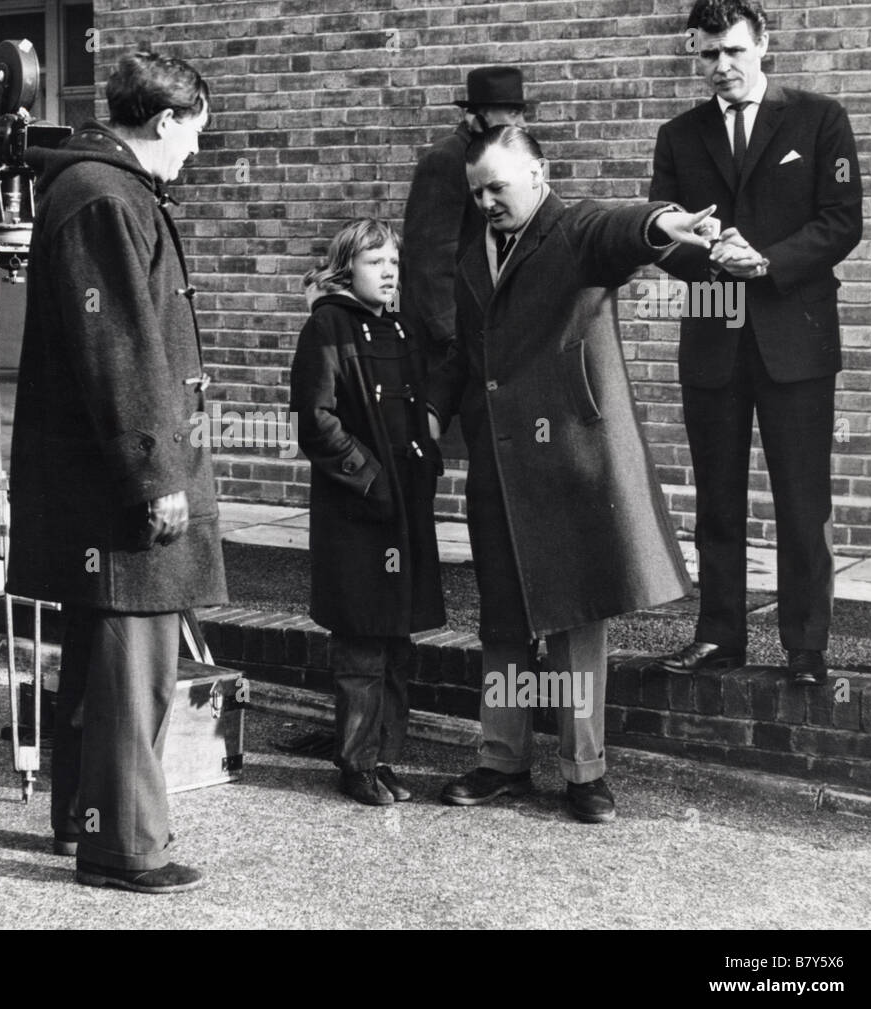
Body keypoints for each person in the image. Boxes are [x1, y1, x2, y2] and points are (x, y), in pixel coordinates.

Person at [427, 126, 712, 823]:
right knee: (502, 621)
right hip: (498, 464)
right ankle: (502, 759)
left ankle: (586, 772)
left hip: (570, 465)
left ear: (539, 172)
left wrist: (661, 222)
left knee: (576, 617)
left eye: (499, 186)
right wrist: (433, 414)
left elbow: (621, 227)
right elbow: (461, 356)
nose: (488, 201)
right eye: (478, 192)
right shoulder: (472, 256)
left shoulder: (574, 228)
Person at [7, 50, 226, 893]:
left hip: (95, 480)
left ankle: (82, 823)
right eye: (195, 136)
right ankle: (126, 846)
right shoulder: (108, 196)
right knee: (136, 669)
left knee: (102, 667)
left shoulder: (97, 189)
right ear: (164, 122)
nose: (197, 154)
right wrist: (156, 474)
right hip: (119, 491)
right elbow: (121, 352)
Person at [649, 0, 864, 685]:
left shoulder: (819, 120)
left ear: (764, 44)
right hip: (714, 338)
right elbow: (661, 235)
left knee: (803, 500)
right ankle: (719, 636)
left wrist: (767, 263)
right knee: (717, 498)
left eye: (734, 50)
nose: (721, 66)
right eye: (707, 55)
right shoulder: (679, 137)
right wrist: (709, 254)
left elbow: (840, 222)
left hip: (794, 340)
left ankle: (806, 648)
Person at [290, 218, 444, 806]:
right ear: (346, 267)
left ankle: (385, 759)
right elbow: (314, 419)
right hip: (358, 512)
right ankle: (355, 763)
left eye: (394, 264)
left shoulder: (402, 328)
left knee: (397, 639)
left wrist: (422, 462)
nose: (389, 273)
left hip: (403, 508)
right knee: (361, 642)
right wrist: (368, 477)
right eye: (375, 262)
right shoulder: (327, 326)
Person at [400, 66, 529, 380]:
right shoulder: (447, 160)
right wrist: (454, 339)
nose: (521, 124)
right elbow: (428, 262)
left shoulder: (490, 164)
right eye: (512, 113)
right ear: (480, 115)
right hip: (449, 347)